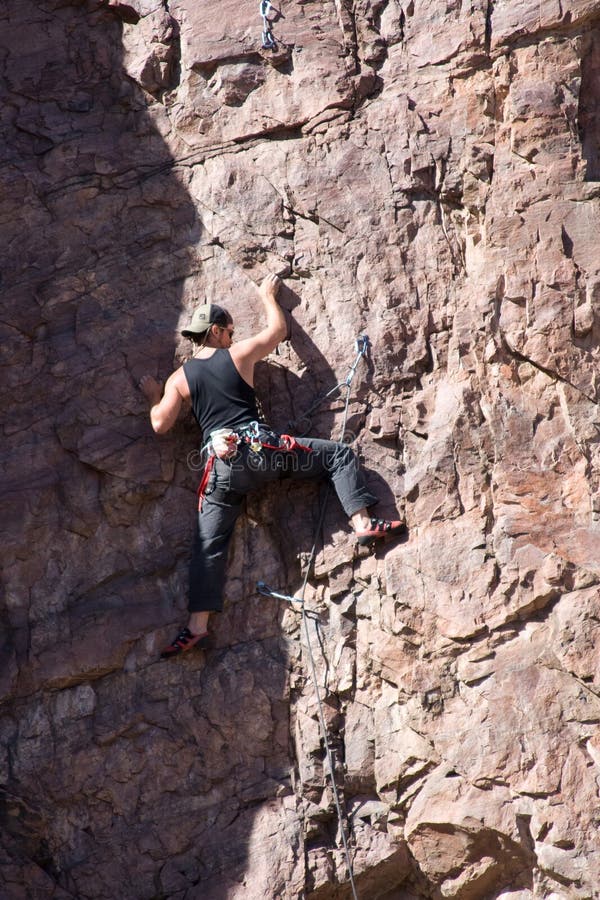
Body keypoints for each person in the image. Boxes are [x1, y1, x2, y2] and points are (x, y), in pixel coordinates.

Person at [140, 274, 405, 658]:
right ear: (216, 332)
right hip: (262, 452)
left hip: (222, 471)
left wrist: (154, 395)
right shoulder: (237, 355)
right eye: (229, 331)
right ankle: (363, 524)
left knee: (208, 545)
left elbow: (159, 424)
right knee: (338, 455)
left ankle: (197, 626)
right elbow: (278, 331)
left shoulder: (179, 379)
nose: (231, 337)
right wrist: (267, 295)